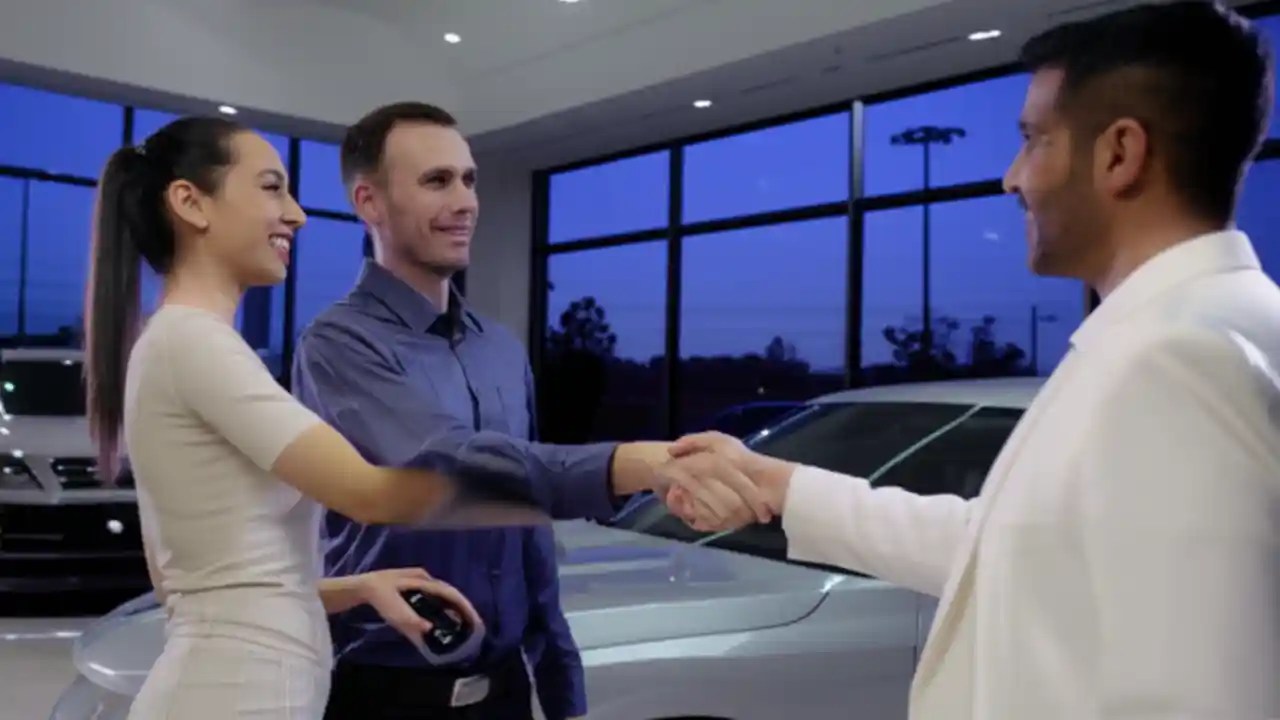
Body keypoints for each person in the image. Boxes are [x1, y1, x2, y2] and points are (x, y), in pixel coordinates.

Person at [666, 2, 1280, 719]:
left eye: (1033, 140)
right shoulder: (1199, 331)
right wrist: (782, 486)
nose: (1011, 178)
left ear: (1120, 153)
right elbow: (1009, 547)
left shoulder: (1177, 359)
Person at [291, 102, 770, 719]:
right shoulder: (337, 344)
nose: (465, 201)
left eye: (469, 180)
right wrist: (634, 464)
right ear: (368, 203)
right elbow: (448, 466)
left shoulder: (498, 347)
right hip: (386, 689)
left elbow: (527, 527)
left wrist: (560, 685)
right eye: (437, 181)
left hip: (506, 688)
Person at [83, 116, 531, 720]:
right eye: (272, 188)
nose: (296, 214)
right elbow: (371, 492)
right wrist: (613, 470)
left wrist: (361, 585)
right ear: (190, 203)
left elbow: (193, 585)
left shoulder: (178, 343)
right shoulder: (194, 345)